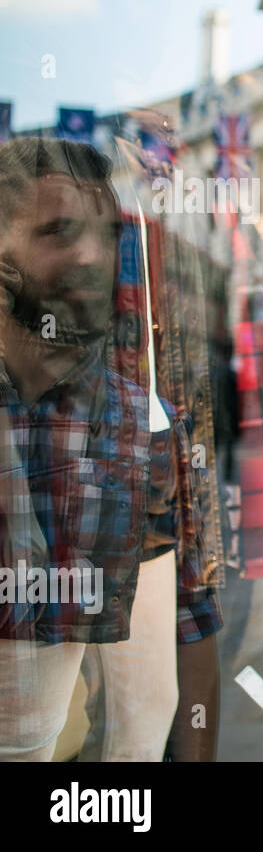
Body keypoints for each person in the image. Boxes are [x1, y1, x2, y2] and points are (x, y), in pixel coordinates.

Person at [0, 136, 182, 760]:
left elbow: (148, 701)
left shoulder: (136, 418)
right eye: (58, 230)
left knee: (136, 709)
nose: (87, 253)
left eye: (103, 233)